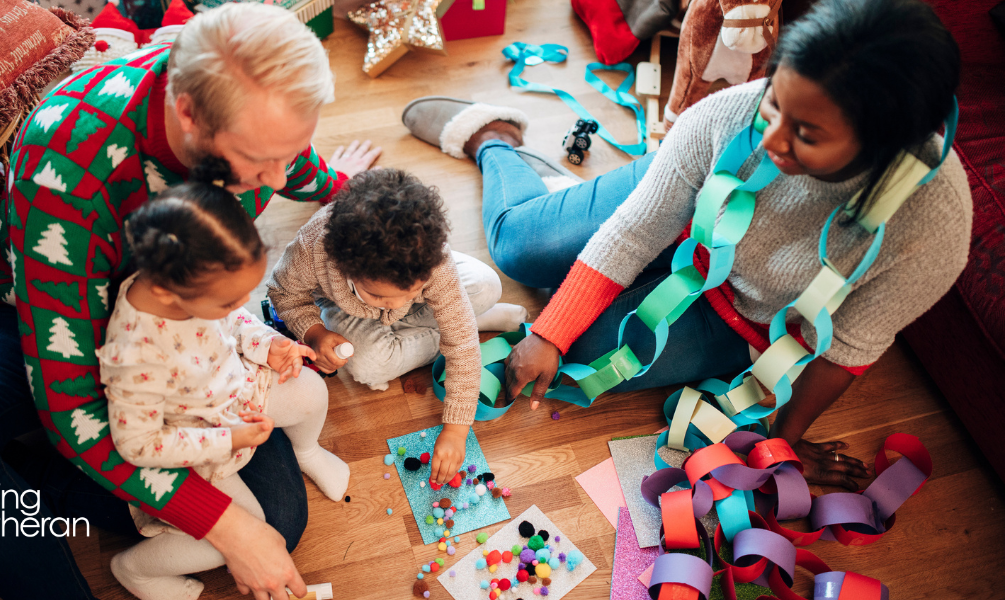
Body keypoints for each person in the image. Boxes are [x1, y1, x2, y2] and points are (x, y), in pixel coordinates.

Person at [0, 4, 378, 599]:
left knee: (279, 523)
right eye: (261, 164)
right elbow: (71, 404)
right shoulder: (68, 163)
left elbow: (296, 167)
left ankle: (15, 490)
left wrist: (347, 191)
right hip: (44, 318)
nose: (277, 179)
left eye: (289, 154)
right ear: (187, 113)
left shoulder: (244, 123)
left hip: (193, 338)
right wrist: (224, 524)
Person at [401, 0, 969, 490]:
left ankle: (568, 203)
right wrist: (549, 330)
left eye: (807, 135)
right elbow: (634, 232)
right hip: (675, 215)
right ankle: (495, 139)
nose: (770, 140)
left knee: (577, 362)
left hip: (743, 315)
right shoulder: (728, 118)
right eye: (775, 103)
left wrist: (783, 441)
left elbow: (847, 345)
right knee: (520, 248)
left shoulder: (932, 227)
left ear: (886, 144)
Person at [99, 159, 347, 600]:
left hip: (233, 392)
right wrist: (226, 439)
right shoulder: (134, 353)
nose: (238, 304)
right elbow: (137, 445)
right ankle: (136, 570)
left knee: (310, 390)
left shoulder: (192, 286)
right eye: (228, 298)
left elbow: (233, 319)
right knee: (238, 534)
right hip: (197, 444)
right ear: (166, 292)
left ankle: (307, 451)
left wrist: (266, 342)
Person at [269, 169, 526, 485]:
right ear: (347, 268)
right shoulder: (313, 249)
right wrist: (313, 331)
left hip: (426, 288)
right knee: (369, 365)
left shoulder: (433, 263)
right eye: (378, 295)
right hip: (344, 309)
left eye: (411, 291)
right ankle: (472, 321)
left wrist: (457, 429)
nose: (394, 304)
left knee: (486, 286)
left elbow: (461, 348)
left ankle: (463, 319)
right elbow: (283, 292)